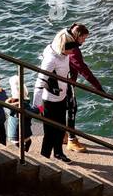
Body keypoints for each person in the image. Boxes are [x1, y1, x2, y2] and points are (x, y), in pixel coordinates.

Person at [33, 30, 79, 162]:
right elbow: (40, 82)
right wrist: (37, 106)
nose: (72, 53)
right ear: (62, 47)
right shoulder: (50, 60)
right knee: (49, 132)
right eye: (70, 50)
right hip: (49, 101)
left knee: (61, 128)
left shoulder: (65, 55)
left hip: (62, 97)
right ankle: (44, 157)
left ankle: (58, 153)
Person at [64, 22, 104, 154]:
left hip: (56, 82)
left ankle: (62, 134)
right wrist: (98, 87)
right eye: (83, 38)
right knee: (72, 109)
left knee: (61, 109)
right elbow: (83, 69)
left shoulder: (64, 39)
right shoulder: (73, 50)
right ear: (78, 35)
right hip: (65, 83)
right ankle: (71, 140)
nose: (84, 41)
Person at [6, 69, 33, 151]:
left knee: (18, 145)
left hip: (12, 134)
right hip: (23, 133)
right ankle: (24, 153)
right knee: (28, 142)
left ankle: (20, 151)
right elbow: (33, 112)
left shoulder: (8, 105)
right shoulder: (24, 105)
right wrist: (41, 107)